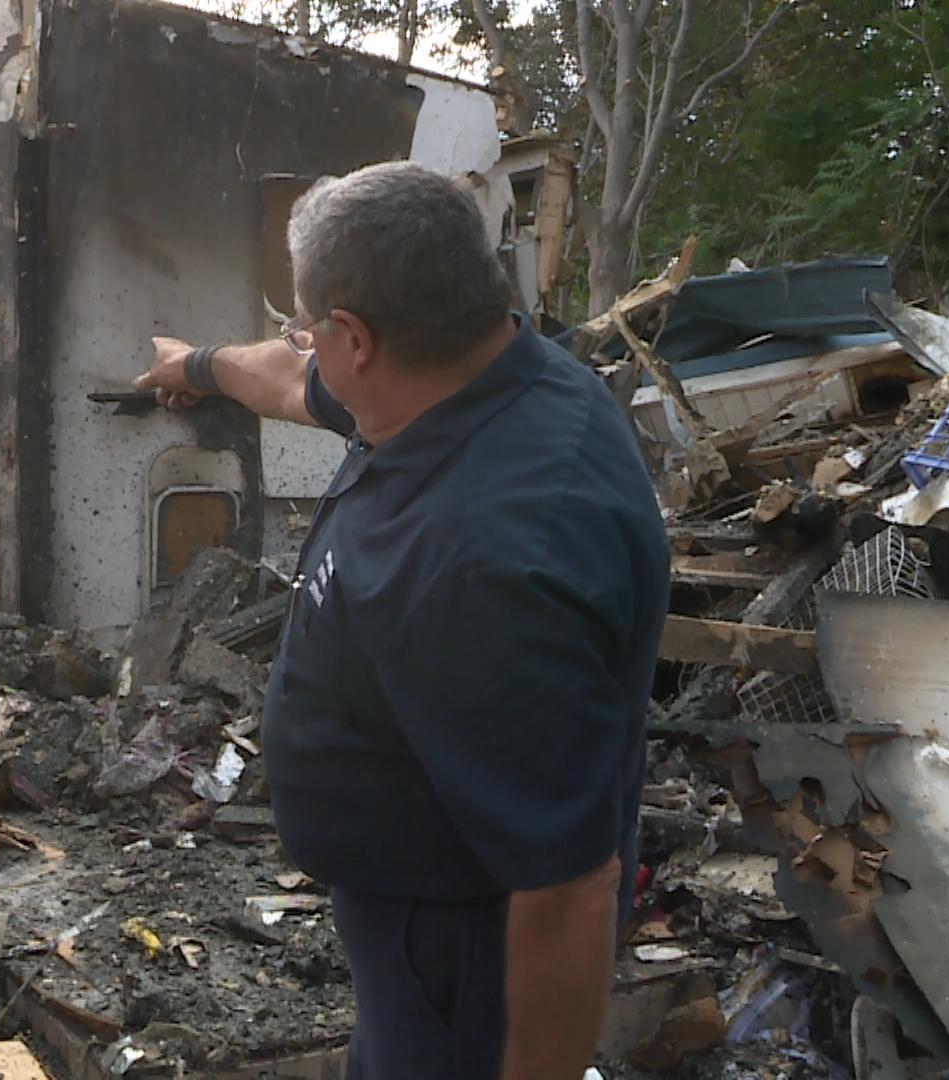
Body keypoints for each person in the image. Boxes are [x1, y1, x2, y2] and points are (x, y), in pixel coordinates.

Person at [134, 162, 669, 1079]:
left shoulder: (490, 561)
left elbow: (570, 892)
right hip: (408, 922)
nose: (307, 351)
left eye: (312, 330)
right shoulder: (472, 373)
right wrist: (193, 368)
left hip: (468, 954)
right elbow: (289, 381)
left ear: (355, 335)